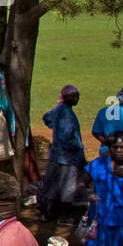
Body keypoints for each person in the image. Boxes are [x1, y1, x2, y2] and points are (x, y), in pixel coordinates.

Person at [39, 85, 87, 224]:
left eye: (77, 96)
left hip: (57, 155)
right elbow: (67, 135)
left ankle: (48, 214)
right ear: (64, 97)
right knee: (68, 188)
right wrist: (77, 148)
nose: (76, 99)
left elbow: (46, 118)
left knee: (53, 186)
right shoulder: (66, 113)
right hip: (68, 158)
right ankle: (64, 217)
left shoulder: (59, 110)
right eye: (73, 96)